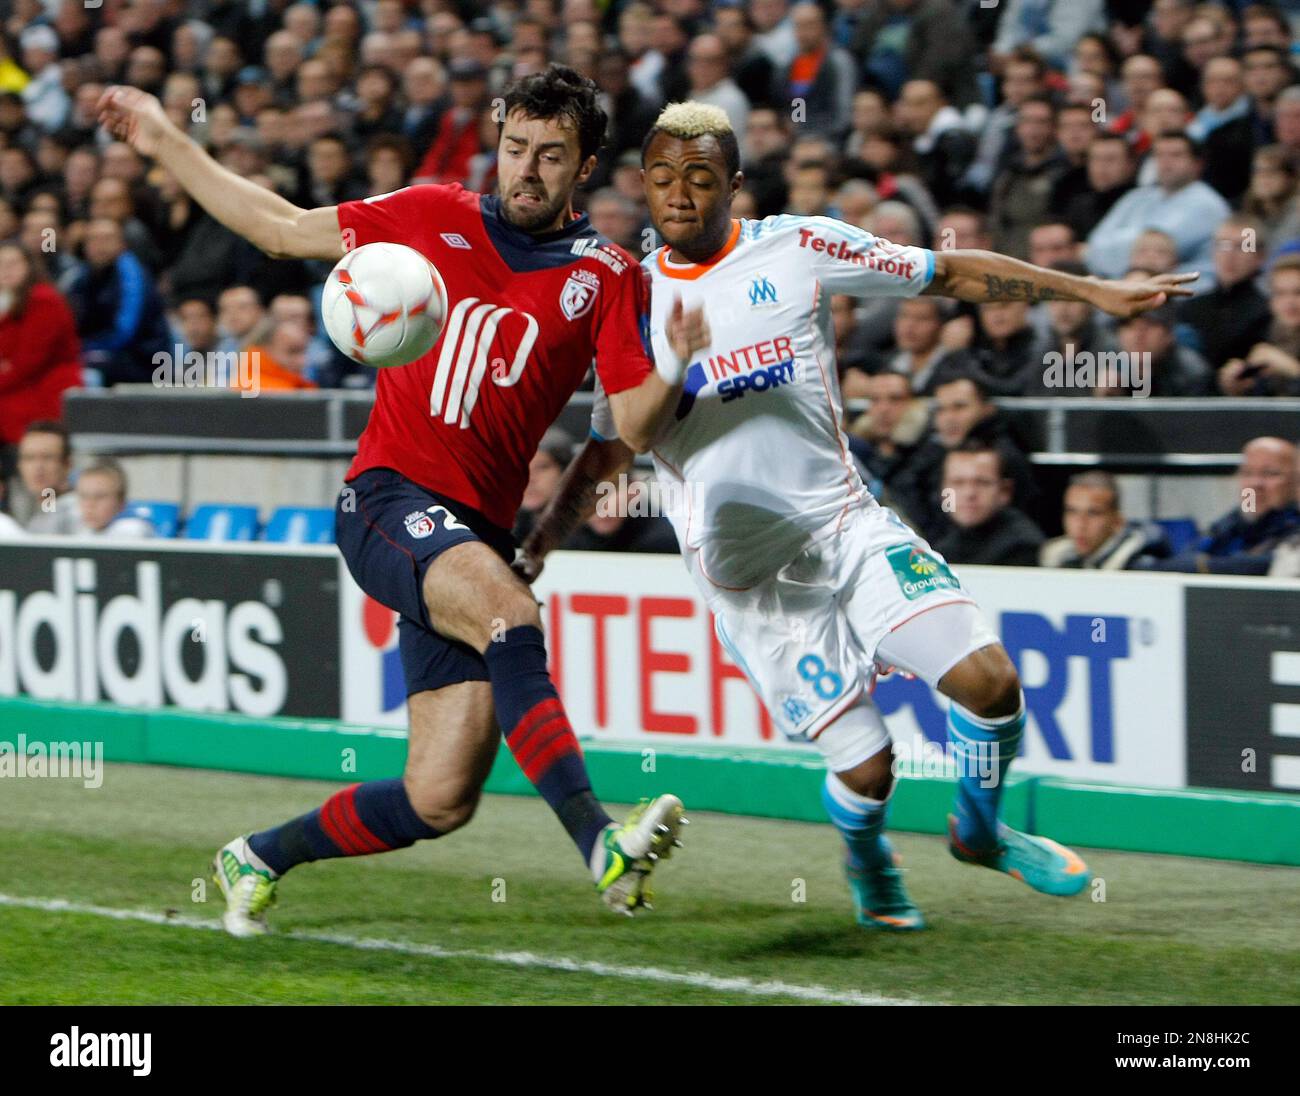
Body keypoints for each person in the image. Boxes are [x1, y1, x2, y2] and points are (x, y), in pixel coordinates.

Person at [519, 102, 1194, 932]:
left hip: (846, 528)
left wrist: (1092, 289)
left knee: (990, 685)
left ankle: (979, 833)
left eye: (699, 178)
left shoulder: (797, 246)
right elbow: (612, 445)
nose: (678, 196)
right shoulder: (630, 299)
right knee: (870, 770)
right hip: (754, 585)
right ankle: (867, 854)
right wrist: (541, 543)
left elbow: (949, 273)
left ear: (734, 185)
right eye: (660, 180)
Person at [99, 65, 692, 935]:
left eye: (551, 156)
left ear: (588, 167)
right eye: (515, 146)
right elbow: (280, 228)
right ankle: (603, 844)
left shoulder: (606, 276)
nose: (525, 170)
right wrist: (164, 138)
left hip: (475, 538)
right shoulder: (432, 214)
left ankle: (258, 856)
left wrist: (670, 371)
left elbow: (627, 432)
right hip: (385, 500)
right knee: (509, 616)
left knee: (439, 797)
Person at [1135, 437, 1300, 575]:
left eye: (1270, 473)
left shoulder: (1293, 525)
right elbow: (1187, 556)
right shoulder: (1238, 519)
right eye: (1247, 473)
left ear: (1295, 481)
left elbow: (1255, 566)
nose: (1255, 483)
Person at [0, 242, 82, 449]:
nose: (6, 270)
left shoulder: (44, 300)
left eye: (13, 264)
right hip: (17, 384)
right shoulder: (9, 301)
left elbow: (27, 364)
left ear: (29, 266)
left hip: (45, 388)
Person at [932, 442, 1045, 566]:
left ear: (1005, 491)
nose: (969, 493)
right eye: (958, 483)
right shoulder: (939, 544)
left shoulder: (1022, 546)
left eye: (982, 483)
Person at [1039, 472, 1171, 569]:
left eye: (1093, 513)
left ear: (1117, 522)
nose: (1080, 525)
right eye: (1072, 512)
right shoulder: (1057, 555)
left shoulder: (1138, 564)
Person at [11, 420, 78, 534]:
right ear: (19, 465)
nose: (38, 467)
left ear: (67, 464)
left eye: (47, 457)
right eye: (29, 458)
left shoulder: (80, 514)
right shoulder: (24, 509)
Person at [75, 460, 155, 539]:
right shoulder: (78, 531)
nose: (90, 504)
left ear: (120, 502)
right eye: (84, 496)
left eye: (100, 497)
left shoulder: (133, 531)